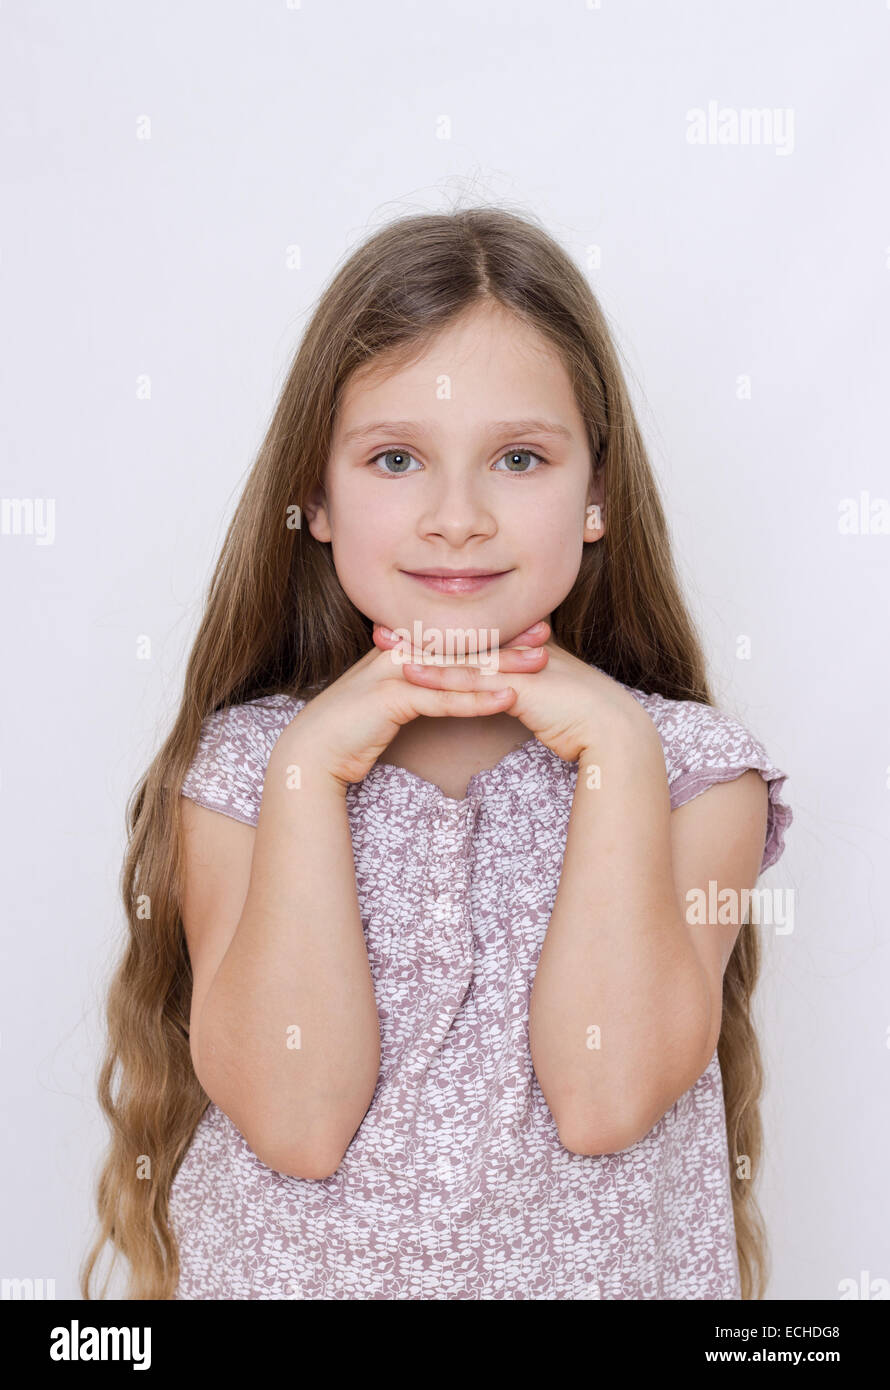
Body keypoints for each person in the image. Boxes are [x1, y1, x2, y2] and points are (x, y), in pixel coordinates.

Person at [82, 206, 792, 1301]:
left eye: (517, 458)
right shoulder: (247, 773)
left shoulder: (693, 775)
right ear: (314, 496)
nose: (455, 518)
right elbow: (296, 1120)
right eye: (396, 458)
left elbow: (605, 1096)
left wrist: (613, 745)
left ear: (595, 493)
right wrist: (311, 775)